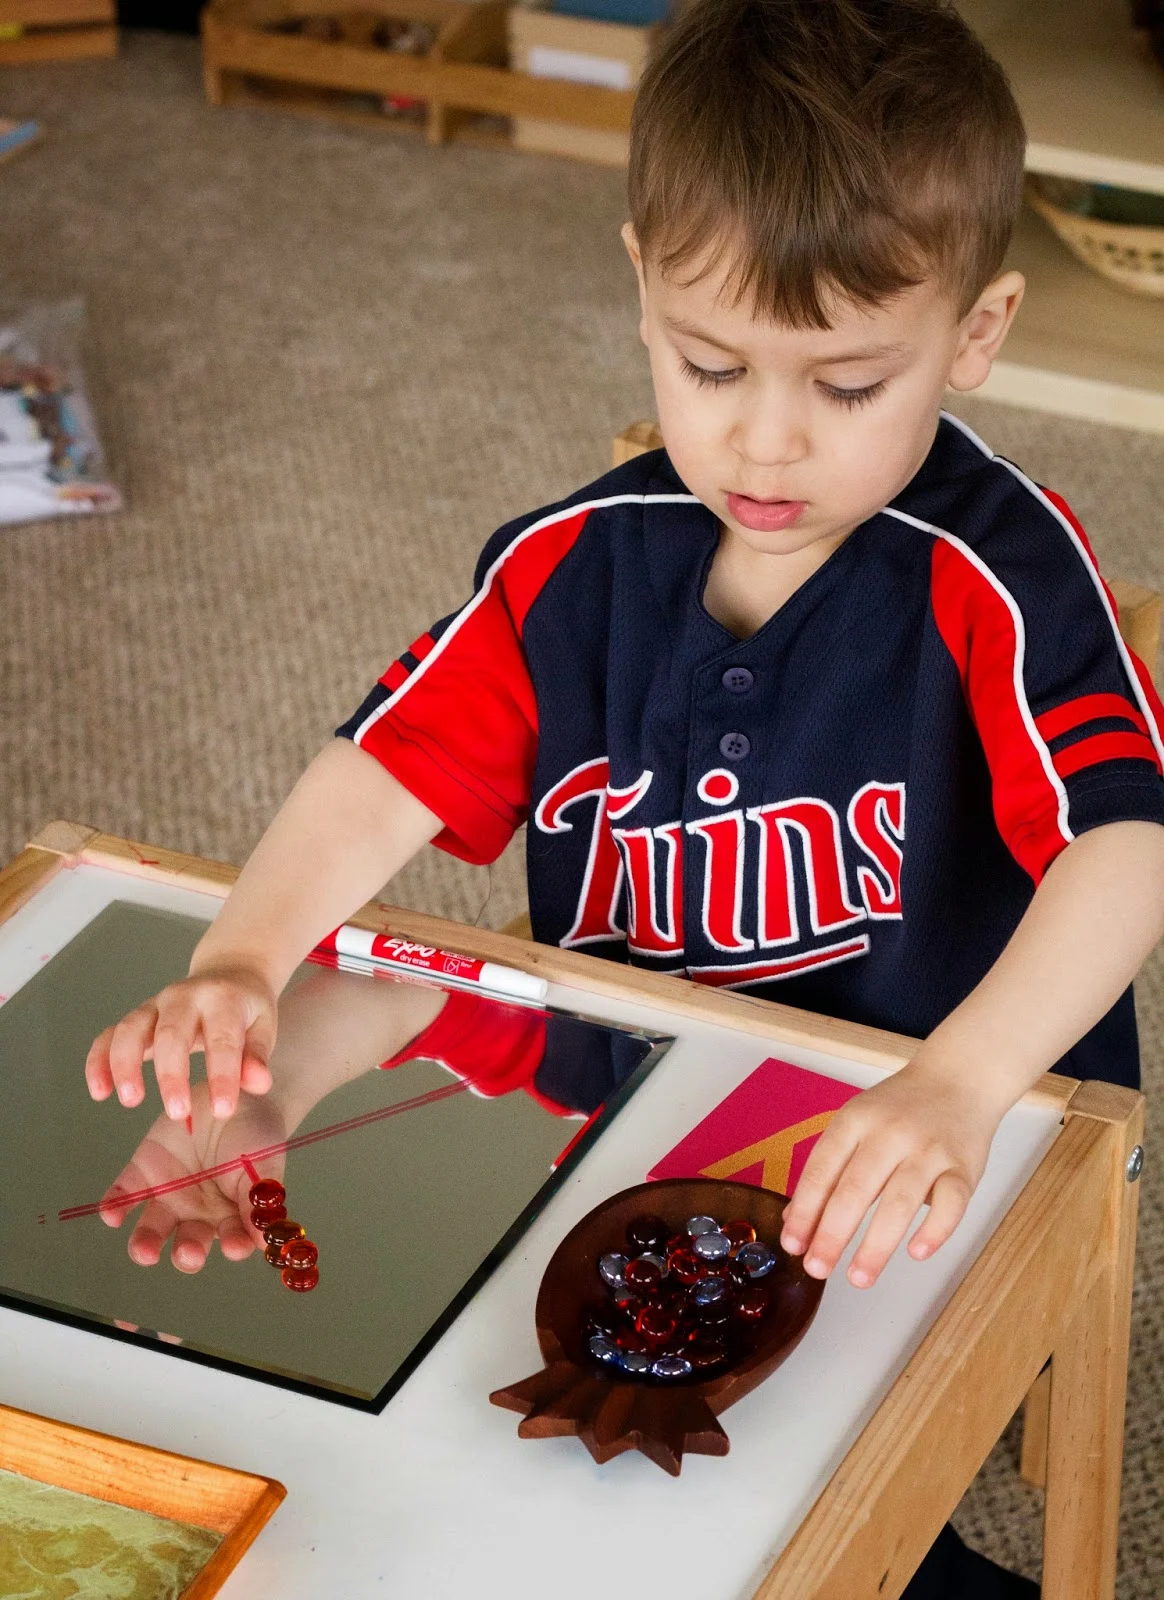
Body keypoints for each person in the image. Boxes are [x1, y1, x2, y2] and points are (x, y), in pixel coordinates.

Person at [86, 1, 1164, 1591]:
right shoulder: (569, 560)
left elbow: (1128, 851)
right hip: (637, 1041)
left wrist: (958, 1083)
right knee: (444, 1376)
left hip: (916, 1092)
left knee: (734, 1495)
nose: (765, 438)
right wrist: (245, 959)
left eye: (852, 386)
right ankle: (312, 1055)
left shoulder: (999, 571)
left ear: (977, 334)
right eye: (710, 363)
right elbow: (383, 768)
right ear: (643, 286)